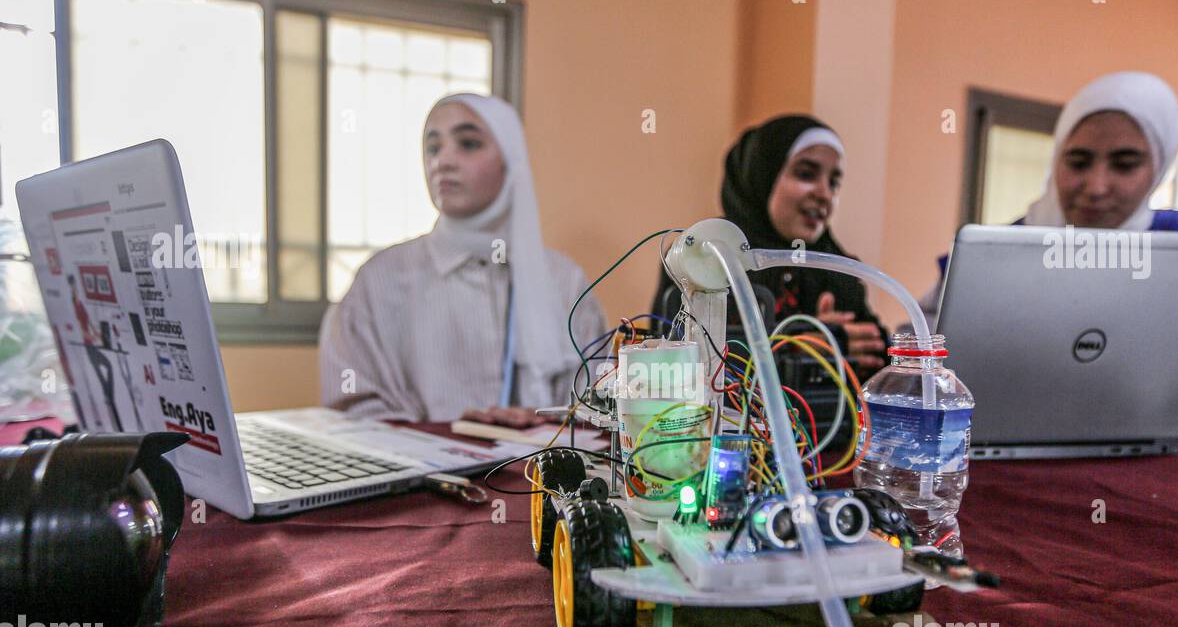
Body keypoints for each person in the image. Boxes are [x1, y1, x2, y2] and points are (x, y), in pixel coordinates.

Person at [320, 94, 606, 425]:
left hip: (535, 475)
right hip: (417, 475)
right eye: (433, 148)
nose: (443, 161)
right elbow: (351, 409)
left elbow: (600, 406)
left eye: (468, 144)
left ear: (510, 161)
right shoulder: (380, 279)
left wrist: (547, 423)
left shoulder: (563, 280)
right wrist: (446, 439)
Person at [919, 71, 1178, 325]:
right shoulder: (992, 254)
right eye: (1078, 162)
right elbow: (920, 349)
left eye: (1125, 165)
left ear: (1160, 168)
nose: (1096, 187)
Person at [652, 114, 888, 375]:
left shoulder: (838, 272)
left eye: (833, 183)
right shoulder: (703, 256)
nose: (824, 194)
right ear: (762, 175)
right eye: (806, 174)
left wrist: (840, 346)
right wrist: (799, 348)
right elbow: (670, 364)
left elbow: (881, 356)